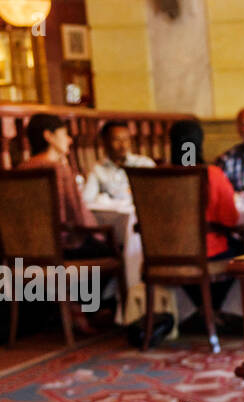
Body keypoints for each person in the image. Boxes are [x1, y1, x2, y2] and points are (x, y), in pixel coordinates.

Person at [18, 113, 109, 335]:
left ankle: (74, 307)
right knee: (109, 248)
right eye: (64, 134)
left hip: (24, 250)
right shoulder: (59, 170)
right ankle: (87, 309)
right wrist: (103, 236)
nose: (69, 140)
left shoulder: (20, 170)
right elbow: (80, 217)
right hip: (61, 248)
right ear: (49, 136)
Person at [169, 120, 243, 336]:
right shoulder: (212, 174)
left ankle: (200, 311)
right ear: (200, 143)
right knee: (243, 251)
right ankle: (217, 311)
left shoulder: (160, 176)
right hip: (207, 254)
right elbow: (230, 219)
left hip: (170, 253)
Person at [81, 120, 155, 204]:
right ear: (105, 142)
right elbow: (87, 199)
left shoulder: (144, 164)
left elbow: (156, 193)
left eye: (126, 139)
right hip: (113, 215)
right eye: (117, 140)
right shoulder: (98, 169)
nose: (123, 145)